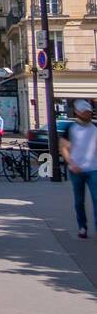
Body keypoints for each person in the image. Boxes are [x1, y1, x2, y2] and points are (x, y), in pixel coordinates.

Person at [61, 99, 97, 239]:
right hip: (76, 170)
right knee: (79, 200)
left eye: (89, 112)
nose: (87, 114)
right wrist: (71, 163)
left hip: (94, 168)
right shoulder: (70, 128)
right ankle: (82, 227)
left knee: (96, 199)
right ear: (77, 112)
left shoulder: (95, 128)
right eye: (84, 112)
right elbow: (63, 147)